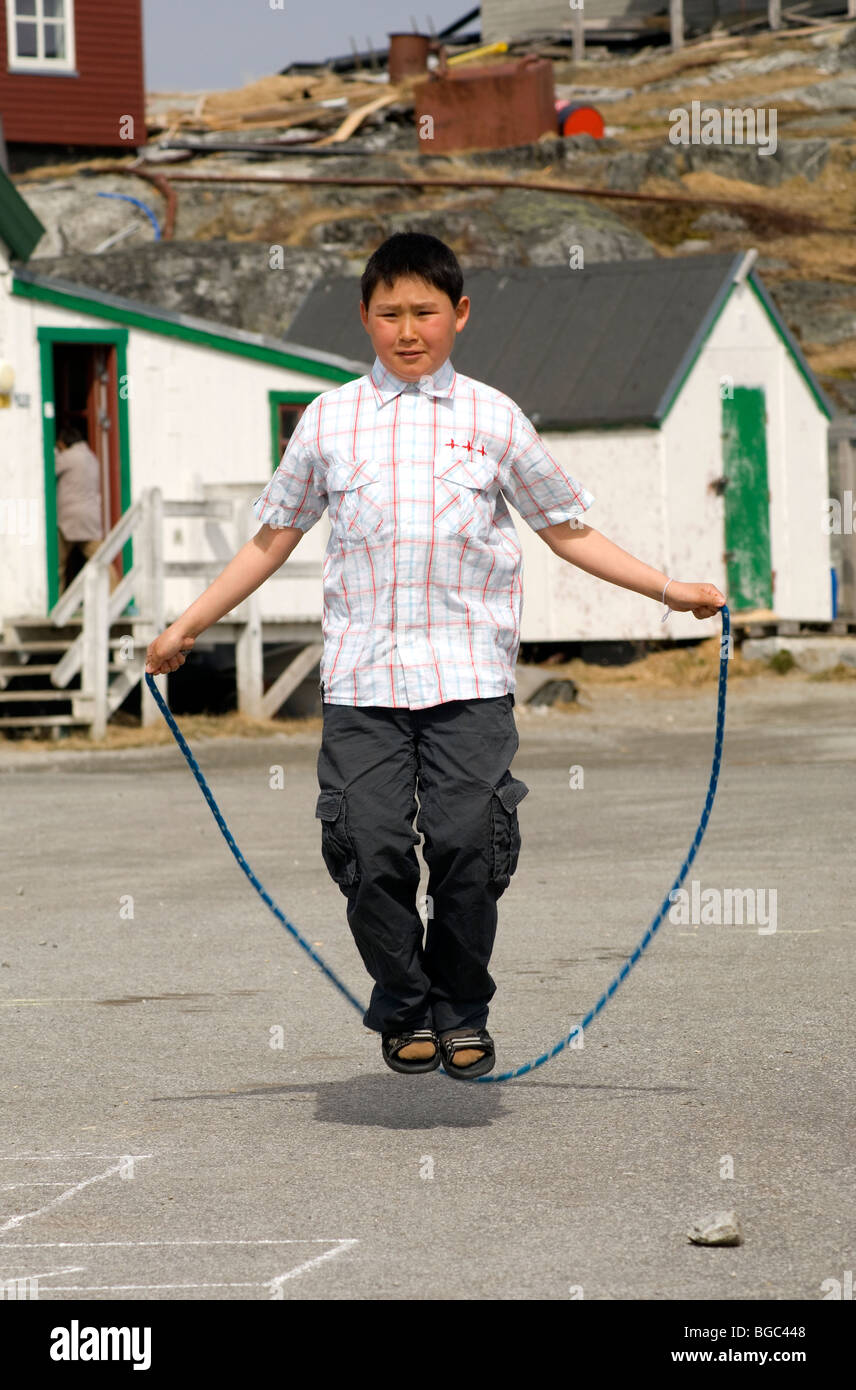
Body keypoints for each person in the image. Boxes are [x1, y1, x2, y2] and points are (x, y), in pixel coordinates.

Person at [145, 232, 725, 1081]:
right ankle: (405, 1005)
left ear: (459, 314)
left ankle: (461, 1008)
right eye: (389, 314)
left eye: (425, 312)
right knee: (368, 849)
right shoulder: (329, 420)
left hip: (470, 681)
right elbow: (270, 540)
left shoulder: (495, 418)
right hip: (361, 683)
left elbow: (568, 532)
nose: (407, 330)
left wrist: (671, 592)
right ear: (364, 318)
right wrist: (184, 625)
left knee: (468, 849)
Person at [54, 424, 119, 594]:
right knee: (101, 558)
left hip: (68, 518)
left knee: (58, 562)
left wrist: (54, 451)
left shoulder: (68, 457)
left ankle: (56, 599)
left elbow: (49, 466)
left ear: (63, 443)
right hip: (90, 516)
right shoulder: (91, 457)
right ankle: (117, 594)